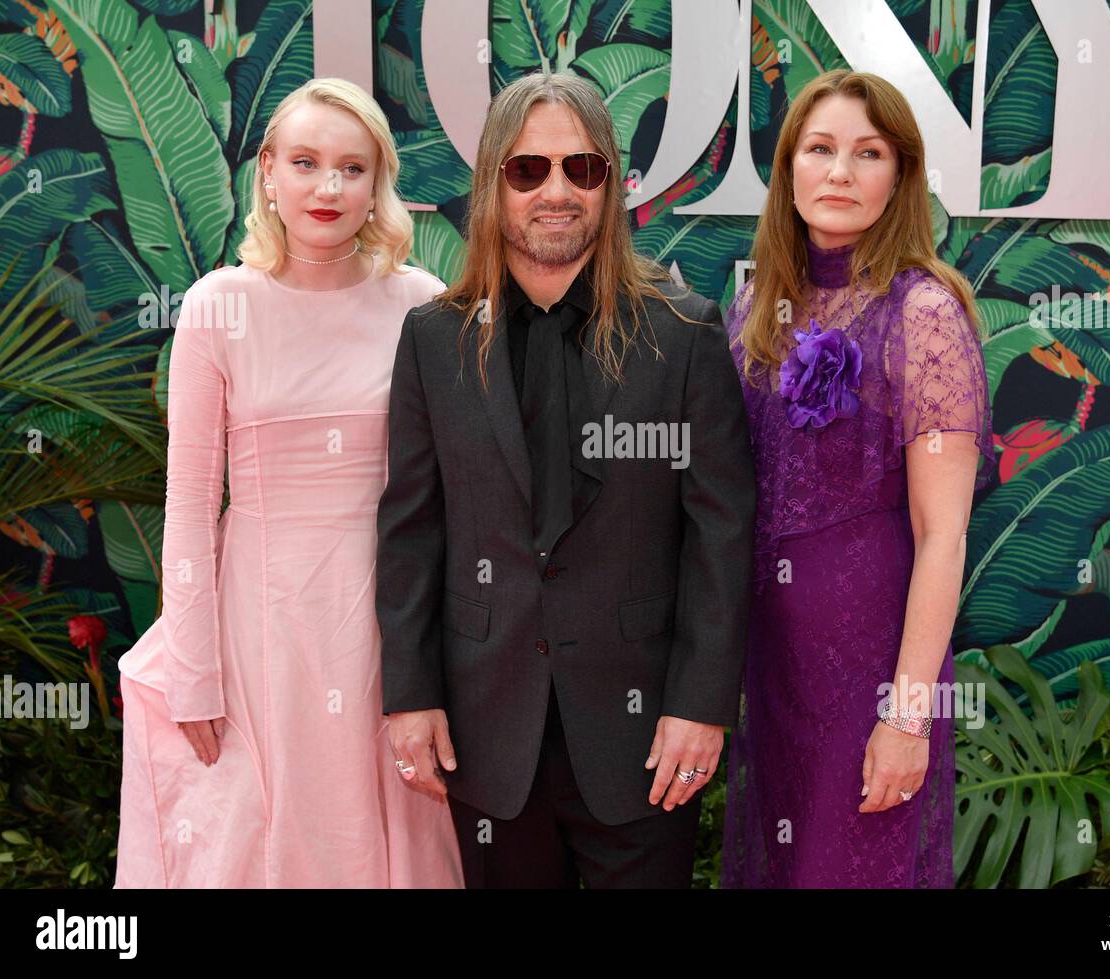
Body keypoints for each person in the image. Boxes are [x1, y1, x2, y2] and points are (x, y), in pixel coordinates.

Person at [375, 70, 755, 889]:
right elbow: (411, 530)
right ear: (492, 184)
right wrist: (409, 696)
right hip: (486, 730)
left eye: (581, 169)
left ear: (611, 185)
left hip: (644, 734)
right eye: (528, 169)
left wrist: (701, 703)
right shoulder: (434, 340)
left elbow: (720, 536)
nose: (556, 191)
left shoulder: (682, 331)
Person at [114, 78, 463, 888]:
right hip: (255, 628)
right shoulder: (216, 308)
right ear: (267, 171)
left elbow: (455, 496)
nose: (328, 187)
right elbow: (192, 503)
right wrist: (195, 668)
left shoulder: (423, 305)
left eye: (352, 167)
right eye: (305, 162)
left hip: (388, 622)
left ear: (379, 182)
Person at [720, 70, 997, 888]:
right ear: (789, 170)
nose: (840, 172)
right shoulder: (757, 304)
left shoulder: (925, 312)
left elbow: (943, 534)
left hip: (872, 673)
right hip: (776, 670)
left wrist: (907, 716)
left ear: (900, 176)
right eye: (821, 149)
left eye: (867, 152)